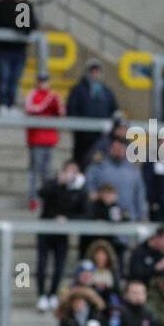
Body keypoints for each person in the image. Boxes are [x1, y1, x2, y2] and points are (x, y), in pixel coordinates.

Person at [36, 160, 88, 311]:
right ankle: (41, 295)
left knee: (59, 265)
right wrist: (58, 183)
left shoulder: (78, 190)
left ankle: (52, 294)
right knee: (42, 264)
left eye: (74, 170)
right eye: (69, 170)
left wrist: (68, 219)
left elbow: (84, 212)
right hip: (45, 230)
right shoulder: (53, 184)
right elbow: (42, 193)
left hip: (62, 234)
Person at [65, 60, 119, 165]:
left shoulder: (107, 91)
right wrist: (79, 126)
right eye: (92, 71)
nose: (95, 73)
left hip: (101, 135)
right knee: (81, 160)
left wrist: (111, 125)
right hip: (82, 135)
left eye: (97, 71)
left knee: (99, 160)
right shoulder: (78, 89)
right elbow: (71, 109)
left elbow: (114, 109)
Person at [0, 0, 33, 112]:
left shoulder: (25, 5)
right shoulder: (5, 3)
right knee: (4, 78)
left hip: (18, 50)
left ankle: (11, 104)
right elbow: (2, 22)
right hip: (4, 49)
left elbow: (28, 26)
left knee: (14, 80)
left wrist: (21, 24)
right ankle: (2, 103)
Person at [85, 132, 147, 221]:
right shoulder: (99, 166)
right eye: (116, 148)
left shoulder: (133, 170)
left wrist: (142, 215)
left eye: (121, 148)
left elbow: (139, 194)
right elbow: (89, 188)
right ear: (110, 148)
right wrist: (98, 196)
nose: (119, 151)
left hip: (128, 217)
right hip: (103, 217)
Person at [24, 72, 62, 206]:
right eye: (41, 81)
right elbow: (32, 109)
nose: (43, 83)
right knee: (35, 170)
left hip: (50, 139)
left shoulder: (54, 96)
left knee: (47, 172)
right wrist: (48, 101)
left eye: (45, 81)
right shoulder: (32, 94)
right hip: (36, 139)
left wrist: (54, 103)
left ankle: (46, 198)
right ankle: (33, 199)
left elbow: (61, 113)